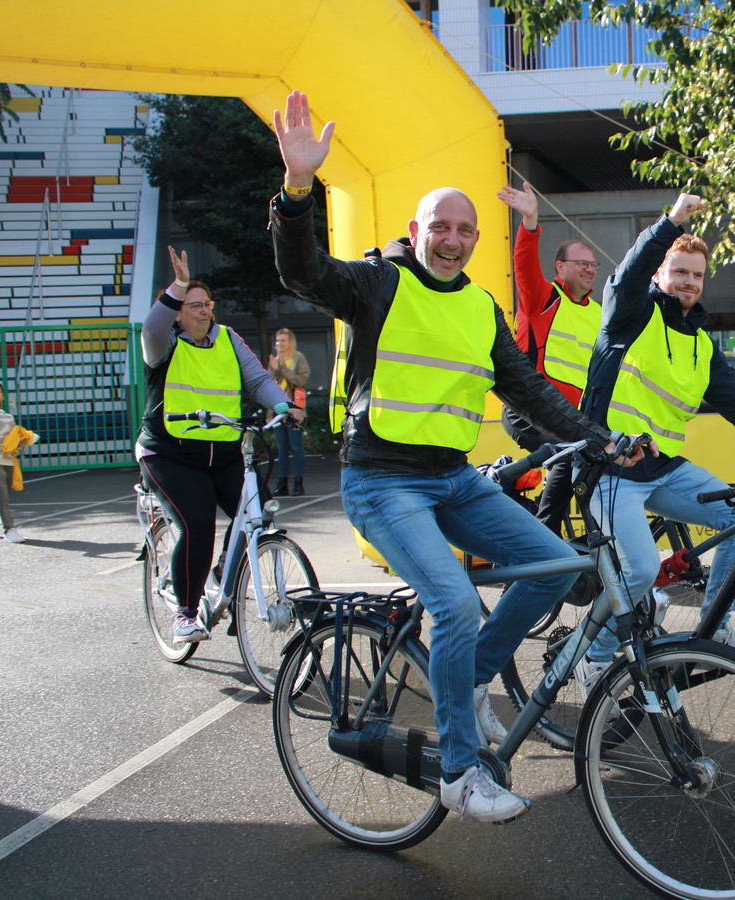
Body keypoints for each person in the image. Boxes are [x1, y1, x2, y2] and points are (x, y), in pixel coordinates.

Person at [269, 90, 639, 824]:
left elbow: (529, 388)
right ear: (417, 229)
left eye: (465, 229)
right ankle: (459, 773)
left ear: (476, 240)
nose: (453, 238)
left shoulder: (478, 307)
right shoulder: (380, 282)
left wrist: (598, 440)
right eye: (440, 225)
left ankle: (463, 682)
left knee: (555, 569)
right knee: (455, 603)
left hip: (453, 479)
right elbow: (303, 269)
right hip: (381, 482)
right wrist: (299, 189)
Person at [575, 192, 735, 698]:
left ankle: (713, 624)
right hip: (609, 472)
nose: (688, 283)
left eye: (696, 276)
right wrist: (669, 223)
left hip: (663, 470)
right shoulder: (631, 313)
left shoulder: (701, 345)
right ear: (660, 275)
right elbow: (627, 275)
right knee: (642, 570)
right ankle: (595, 655)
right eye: (679, 272)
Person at [136, 248, 301, 643]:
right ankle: (185, 612)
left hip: (223, 451)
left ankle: (226, 567)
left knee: (259, 513)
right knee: (196, 523)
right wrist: (178, 285)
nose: (203, 311)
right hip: (170, 453)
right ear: (178, 312)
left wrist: (282, 405)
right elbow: (150, 329)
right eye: (193, 305)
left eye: (207, 304)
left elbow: (258, 380)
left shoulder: (228, 339)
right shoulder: (165, 346)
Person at [495, 180, 602, 536]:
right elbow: (524, 266)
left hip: (571, 417)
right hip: (529, 410)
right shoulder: (544, 297)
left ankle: (591, 551)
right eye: (581, 263)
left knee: (600, 459)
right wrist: (529, 221)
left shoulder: (598, 313)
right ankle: (547, 544)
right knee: (565, 454)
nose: (590, 268)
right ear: (559, 269)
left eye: (593, 264)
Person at [266, 327, 310, 496]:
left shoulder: (299, 359)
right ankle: (282, 482)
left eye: (283, 340)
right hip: (278, 410)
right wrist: (269, 415)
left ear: (290, 342)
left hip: (295, 409)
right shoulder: (274, 360)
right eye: (277, 340)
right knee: (281, 447)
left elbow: (301, 380)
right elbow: (270, 385)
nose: (279, 344)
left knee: (296, 446)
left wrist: (282, 367)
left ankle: (298, 482)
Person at [0, 378, 34, 543]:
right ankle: (9, 529)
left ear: (2, 396)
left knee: (1, 493)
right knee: (1, 493)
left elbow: (12, 440)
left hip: (7, 460)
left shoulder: (8, 418)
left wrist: (23, 441)